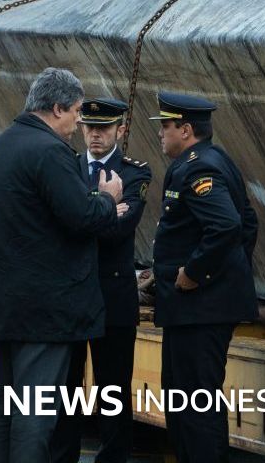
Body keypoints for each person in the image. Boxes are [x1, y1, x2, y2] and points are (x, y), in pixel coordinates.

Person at [0, 68, 124, 463]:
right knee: (35, 417)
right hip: (44, 313)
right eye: (76, 112)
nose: (78, 124)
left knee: (4, 412)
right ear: (57, 108)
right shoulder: (50, 151)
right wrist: (107, 198)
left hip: (3, 305)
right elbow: (81, 216)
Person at [151, 92, 258, 463]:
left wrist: (195, 273)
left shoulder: (199, 169)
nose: (160, 134)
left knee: (195, 406)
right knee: (182, 400)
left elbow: (227, 226)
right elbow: (248, 223)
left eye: (166, 126)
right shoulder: (212, 159)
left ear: (185, 130)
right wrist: (231, 274)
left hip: (199, 311)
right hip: (194, 311)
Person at [52, 98, 151, 463]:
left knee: (113, 390)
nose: (95, 134)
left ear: (120, 130)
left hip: (113, 297)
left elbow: (118, 231)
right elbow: (58, 227)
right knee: (66, 389)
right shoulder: (68, 167)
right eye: (90, 127)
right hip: (73, 295)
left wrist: (83, 215)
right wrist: (106, 207)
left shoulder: (135, 173)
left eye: (104, 128)